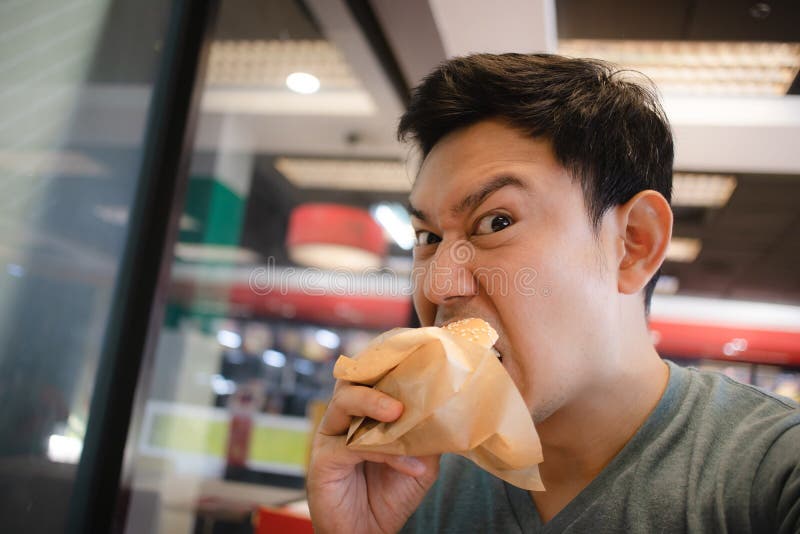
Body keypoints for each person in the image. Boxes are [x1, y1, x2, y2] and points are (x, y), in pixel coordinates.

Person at [306, 53, 800, 533]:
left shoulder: (772, 472)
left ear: (633, 243)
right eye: (428, 237)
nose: (437, 284)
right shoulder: (409, 474)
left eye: (496, 222)